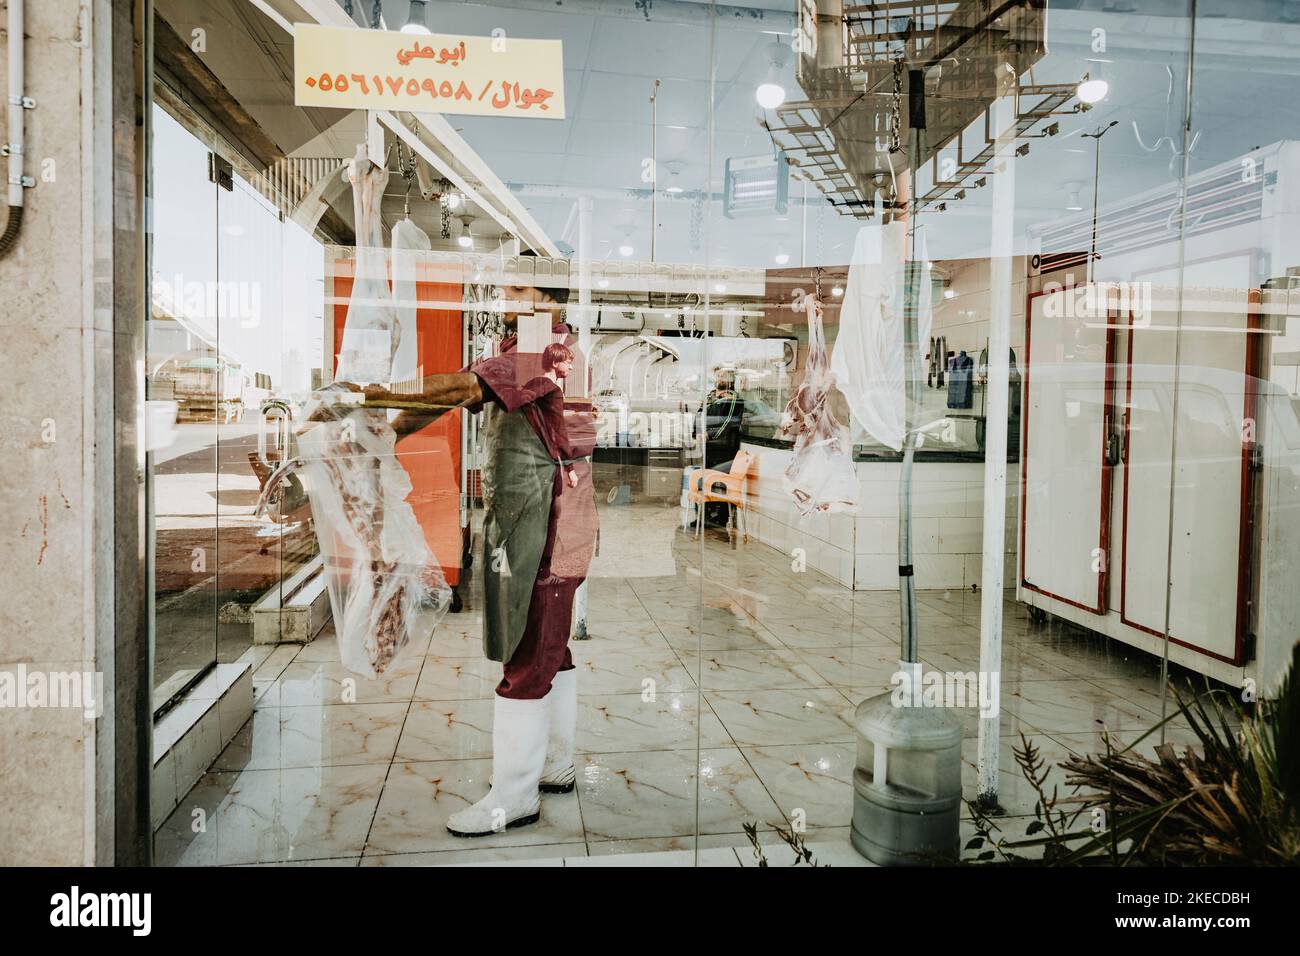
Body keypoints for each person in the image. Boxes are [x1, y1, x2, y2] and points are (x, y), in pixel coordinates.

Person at [341, 271, 597, 838]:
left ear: (550, 300)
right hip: (542, 512)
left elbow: (460, 390)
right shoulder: (522, 349)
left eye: (525, 290)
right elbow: (457, 397)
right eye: (508, 289)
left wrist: (362, 395)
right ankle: (553, 762)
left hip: (549, 518)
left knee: (527, 648)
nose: (510, 298)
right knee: (549, 641)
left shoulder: (548, 347)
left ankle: (513, 797)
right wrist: (385, 431)